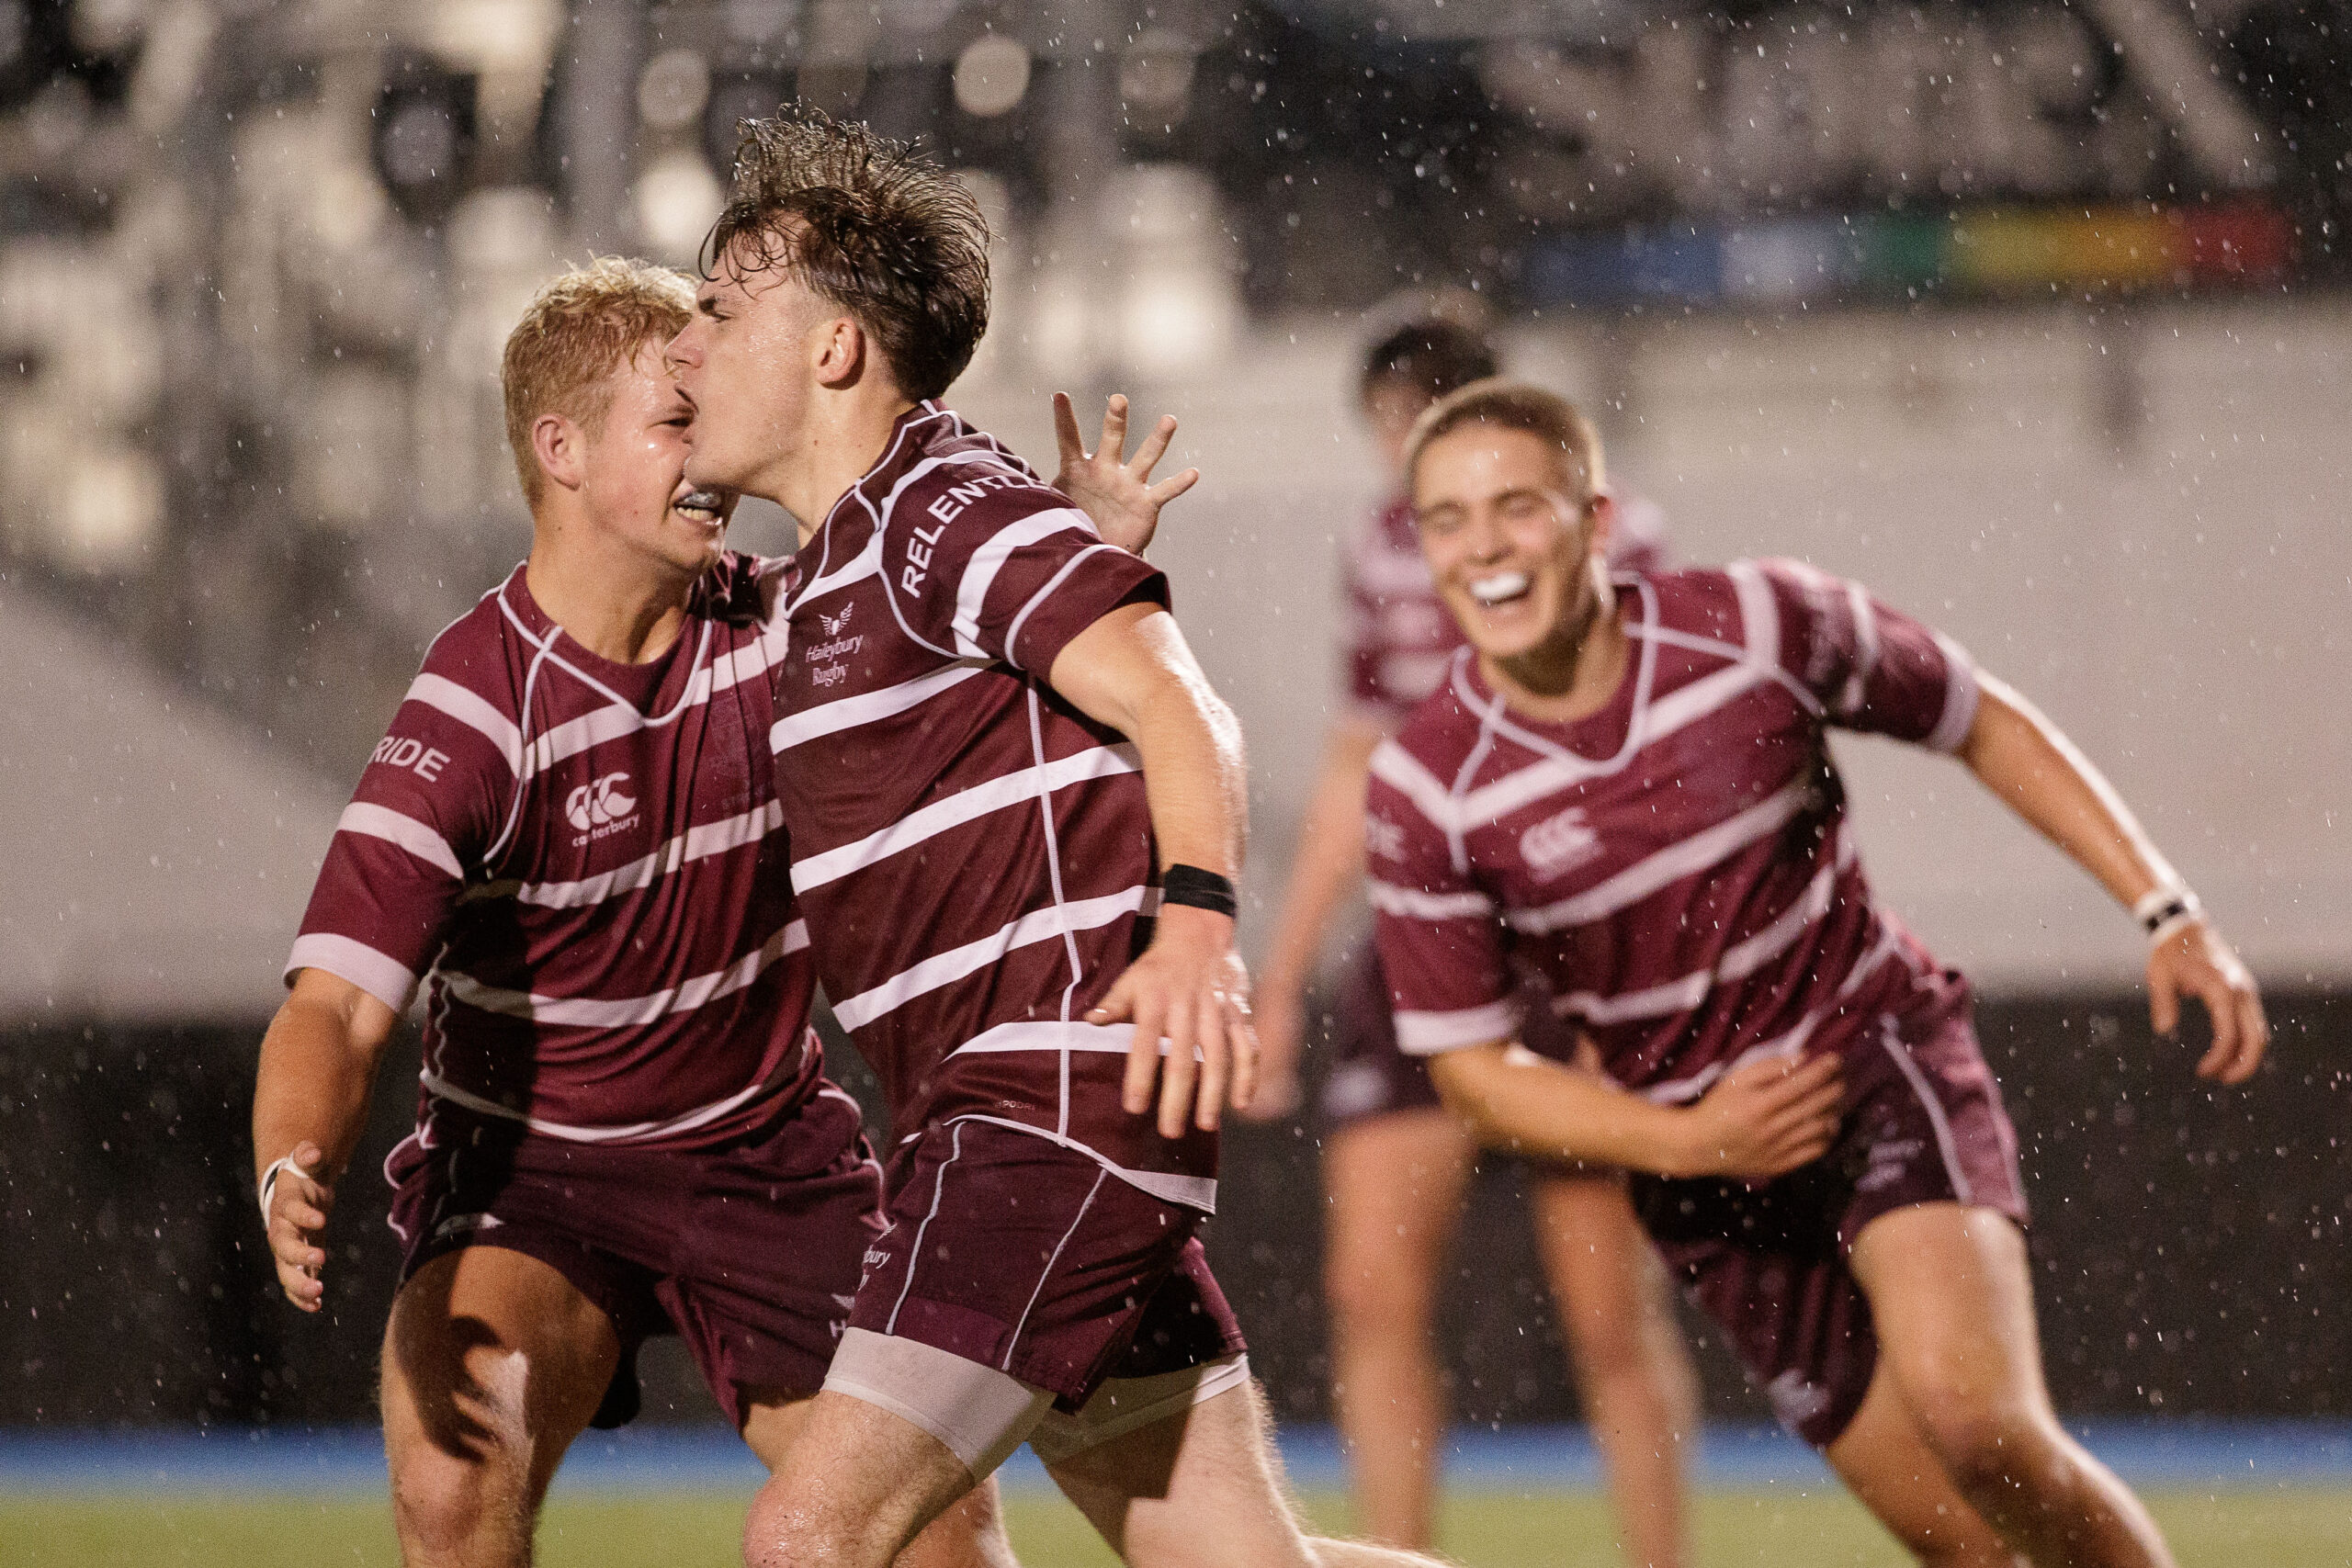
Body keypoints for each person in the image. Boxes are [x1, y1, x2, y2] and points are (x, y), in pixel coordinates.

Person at [252, 257, 1178, 1568]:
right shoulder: (471, 716)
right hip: (533, 1180)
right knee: (453, 1495)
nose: (710, 453)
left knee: (937, 1548)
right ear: (559, 449)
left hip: (768, 1162)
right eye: (673, 419)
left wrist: (1078, 554)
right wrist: (295, 1155)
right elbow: (336, 1005)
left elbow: (978, 635)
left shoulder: (792, 629)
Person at [663, 107, 1453, 1568]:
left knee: (810, 1541)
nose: (683, 346)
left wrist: (1198, 926)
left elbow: (1180, 707)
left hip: (1047, 1116)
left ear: (836, 348)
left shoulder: (934, 505)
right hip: (1016, 1123)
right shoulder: (846, 563)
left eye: (718, 312)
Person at [1364, 378, 2269, 1568]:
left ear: (1593, 516)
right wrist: (1692, 1145)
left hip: (1873, 1063)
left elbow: (1977, 718)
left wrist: (2166, 907)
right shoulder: (1426, 786)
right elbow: (1473, 1074)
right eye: (1446, 520)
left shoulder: (1761, 625)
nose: (1482, 547)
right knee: (1960, 1545)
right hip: (1705, 1173)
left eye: (1517, 508)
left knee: (1982, 1426)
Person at [1252, 317, 1695, 1560]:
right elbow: (1358, 759)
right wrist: (1279, 977)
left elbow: (1659, 763)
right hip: (1421, 948)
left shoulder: (1618, 530)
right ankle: (1403, 1566)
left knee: (1609, 1311)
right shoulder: (1377, 548)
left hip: (1577, 958)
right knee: (1371, 1293)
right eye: (1394, 427)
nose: (1410, 455)